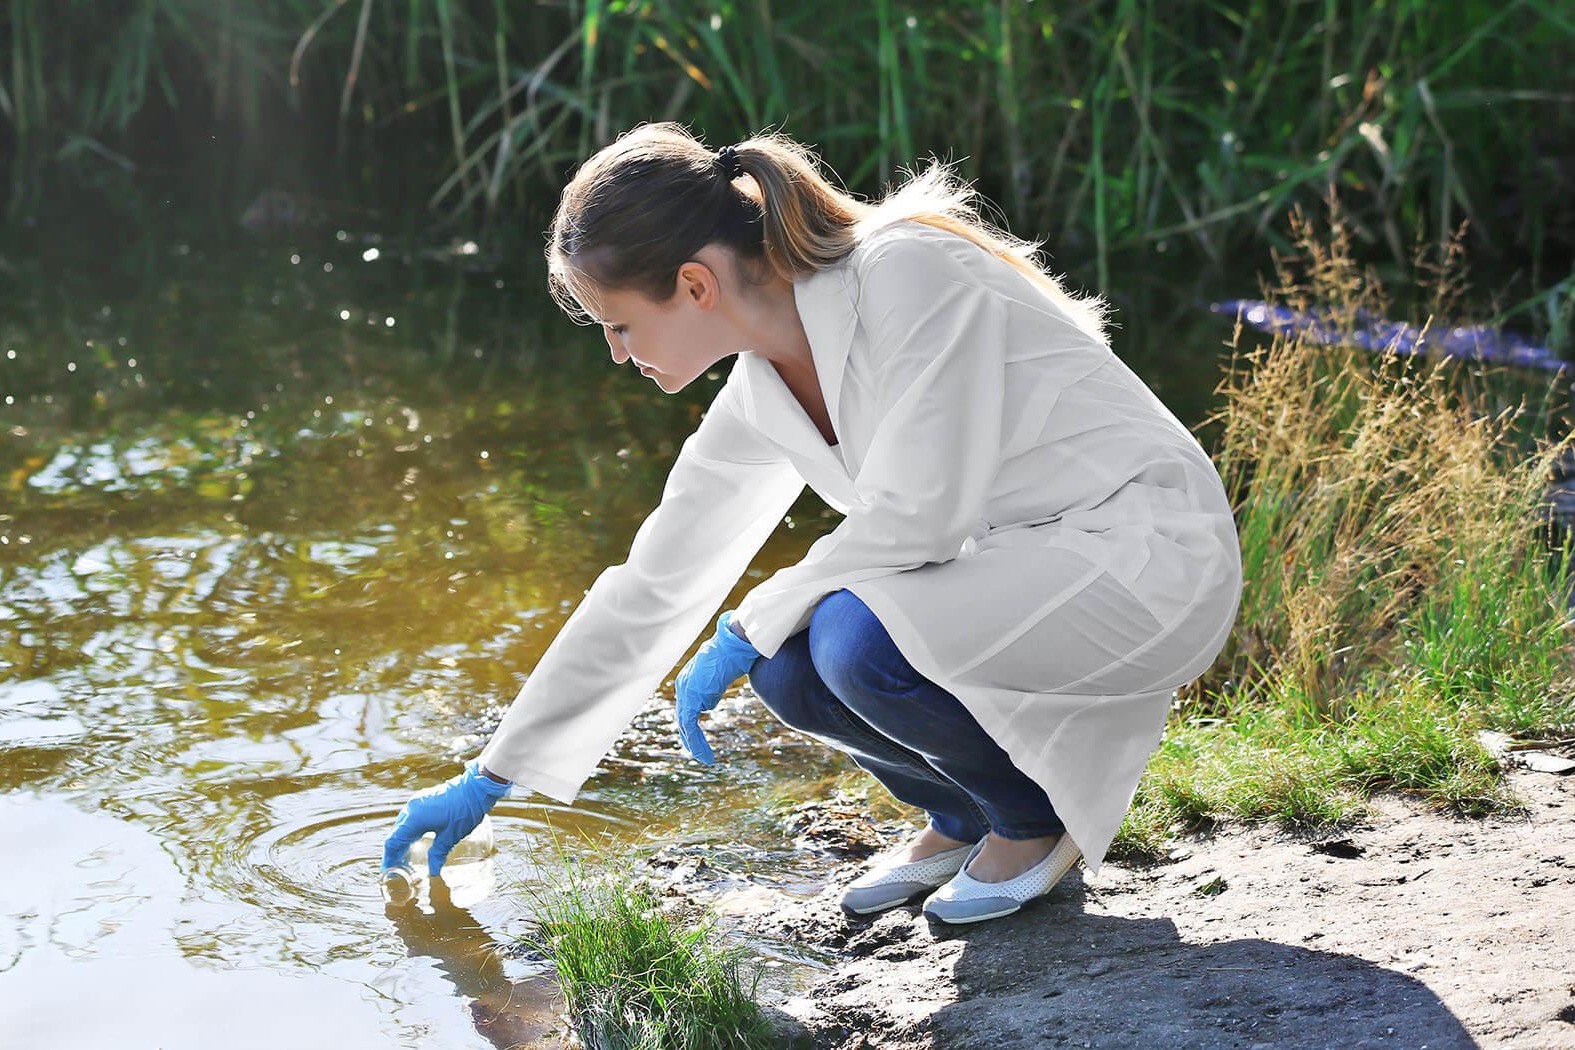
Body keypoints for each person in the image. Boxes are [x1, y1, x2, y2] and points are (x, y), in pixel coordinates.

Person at [382, 122, 1243, 924]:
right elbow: (653, 585)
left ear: (694, 285)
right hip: (1023, 575)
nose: (616, 353)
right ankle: (961, 813)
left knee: (845, 635)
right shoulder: (761, 391)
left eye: (619, 325)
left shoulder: (907, 272)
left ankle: (1031, 821)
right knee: (786, 665)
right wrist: (490, 775)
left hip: (1143, 559)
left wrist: (746, 621)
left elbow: (920, 517)